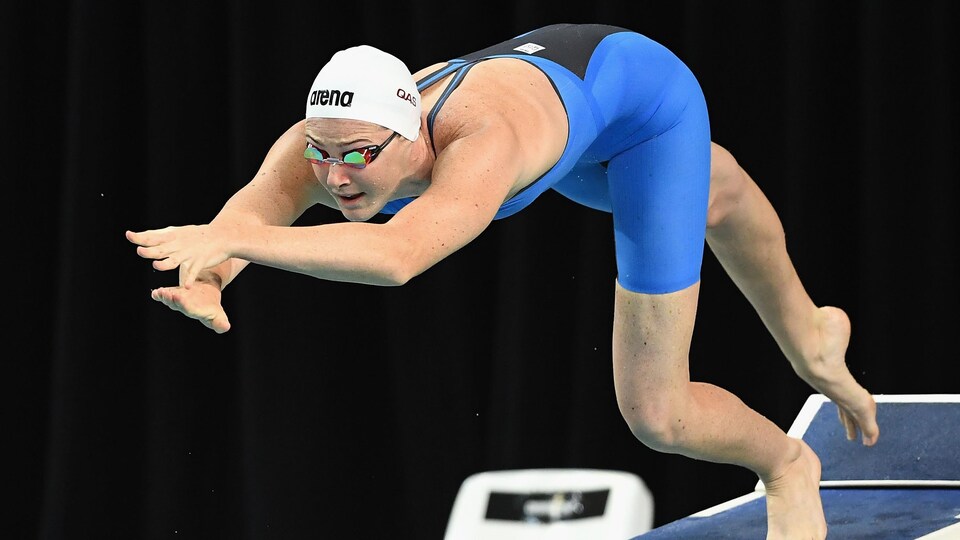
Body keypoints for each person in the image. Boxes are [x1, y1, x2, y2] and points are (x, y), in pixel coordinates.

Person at [126, 23, 879, 538]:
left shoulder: (484, 142)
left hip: (644, 109)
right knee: (716, 195)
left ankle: (787, 463)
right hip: (576, 121)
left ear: (411, 128)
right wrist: (214, 275)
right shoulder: (333, 139)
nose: (334, 176)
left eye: (355, 156)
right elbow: (257, 207)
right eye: (320, 155)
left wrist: (235, 241)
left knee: (658, 412)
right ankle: (811, 331)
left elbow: (398, 257)